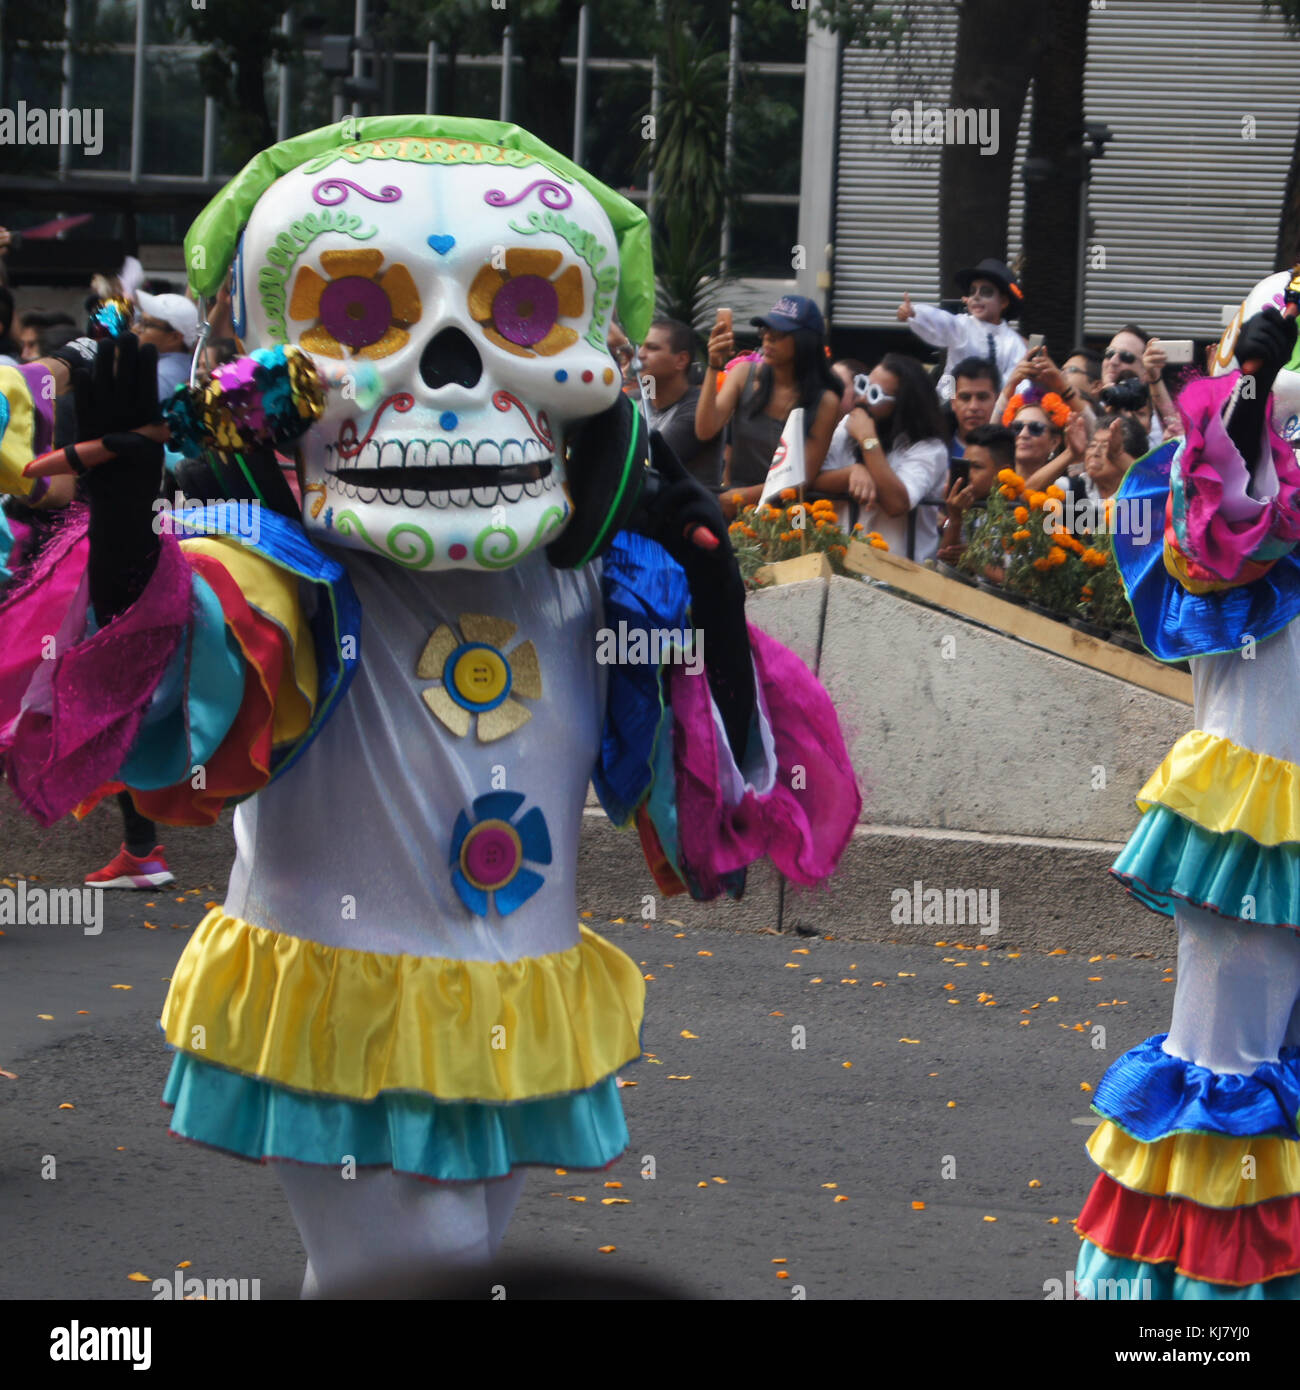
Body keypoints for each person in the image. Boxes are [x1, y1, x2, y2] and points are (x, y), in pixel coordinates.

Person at [0, 117, 862, 1299]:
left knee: (406, 1276)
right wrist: (122, 531)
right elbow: (153, 701)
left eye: (519, 317)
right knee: (417, 1275)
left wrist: (697, 570)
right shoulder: (277, 570)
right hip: (344, 992)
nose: (448, 370)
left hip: (519, 987)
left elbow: (718, 752)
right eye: (359, 315)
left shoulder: (593, 570)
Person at [1073, 293, 1300, 1300]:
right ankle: (1200, 1313)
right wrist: (1253, 395)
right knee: (1228, 1065)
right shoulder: (1211, 494)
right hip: (1253, 830)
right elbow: (1233, 518)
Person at [697, 295, 842, 516]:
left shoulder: (825, 401)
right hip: (732, 505)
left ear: (805, 341)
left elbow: (802, 479)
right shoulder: (743, 374)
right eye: (765, 331)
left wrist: (740, 498)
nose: (768, 339)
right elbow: (705, 430)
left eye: (779, 334)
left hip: (785, 517)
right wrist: (713, 365)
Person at [813, 352, 949, 560]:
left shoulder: (930, 448)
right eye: (864, 385)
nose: (863, 397)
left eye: (875, 394)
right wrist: (852, 472)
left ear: (904, 406)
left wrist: (868, 440)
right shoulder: (849, 427)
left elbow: (897, 503)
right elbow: (812, 480)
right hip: (841, 565)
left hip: (899, 577)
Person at [897, 257, 1027, 403]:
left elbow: (1018, 379)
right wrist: (915, 313)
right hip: (950, 400)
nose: (976, 297)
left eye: (986, 292)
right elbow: (941, 321)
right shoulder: (962, 325)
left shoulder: (1012, 341)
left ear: (1003, 302)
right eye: (973, 291)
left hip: (993, 408)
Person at [639, 317, 723, 487]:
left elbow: (648, 458)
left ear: (681, 360)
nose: (640, 354)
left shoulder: (697, 409)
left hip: (686, 510)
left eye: (652, 348)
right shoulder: (640, 398)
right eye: (640, 345)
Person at [937, 422, 1014, 566]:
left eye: (976, 467)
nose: (968, 475)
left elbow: (1025, 583)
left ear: (1004, 473)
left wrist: (976, 560)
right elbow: (945, 564)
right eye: (965, 465)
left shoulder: (1022, 514)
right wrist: (955, 519)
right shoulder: (966, 506)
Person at [131, 290, 200, 400]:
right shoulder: (187, 364)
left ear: (174, 337)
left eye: (146, 324)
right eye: (139, 321)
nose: (135, 329)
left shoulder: (160, 376)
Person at [948, 357, 1000, 461]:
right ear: (952, 402)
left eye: (982, 397)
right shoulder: (934, 449)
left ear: (997, 400)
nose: (973, 407)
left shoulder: (1013, 450)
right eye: (965, 398)